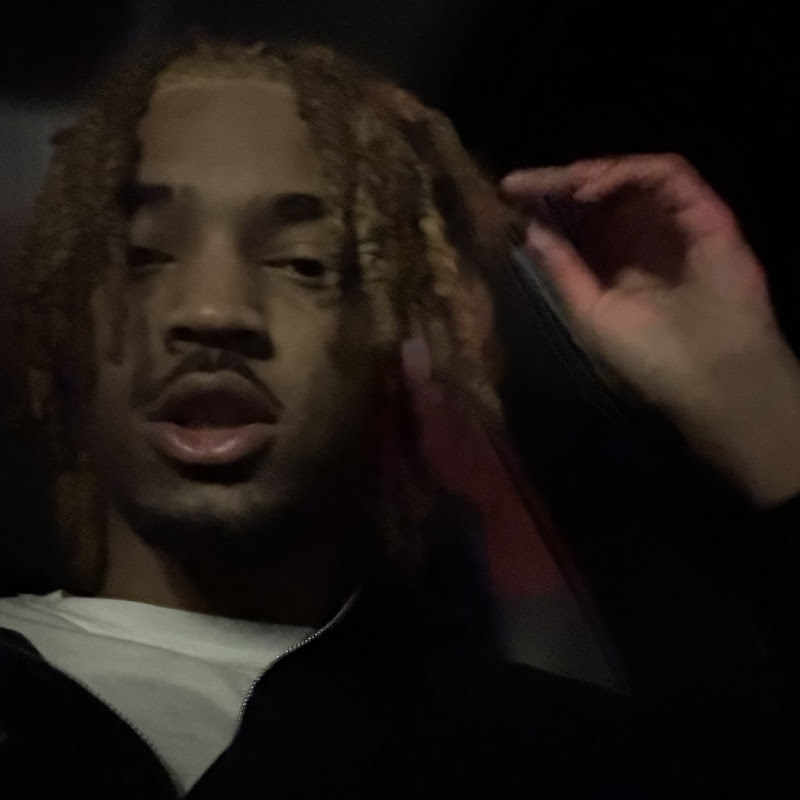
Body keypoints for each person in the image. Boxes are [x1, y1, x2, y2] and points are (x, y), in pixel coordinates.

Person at [1, 32, 798, 798]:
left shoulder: (559, 756)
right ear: (67, 321)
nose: (212, 311)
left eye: (304, 263)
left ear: (388, 343)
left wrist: (762, 406)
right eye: (142, 255)